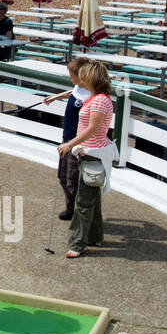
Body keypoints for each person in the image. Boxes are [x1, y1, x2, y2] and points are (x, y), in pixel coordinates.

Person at [56, 61, 115, 258]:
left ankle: (77, 243)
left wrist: (69, 144)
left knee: (84, 201)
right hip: (89, 152)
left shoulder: (98, 101)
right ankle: (95, 237)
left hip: (92, 153)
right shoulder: (97, 98)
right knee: (92, 199)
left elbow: (92, 129)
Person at [42, 57, 92, 219]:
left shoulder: (91, 95)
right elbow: (73, 92)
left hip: (76, 143)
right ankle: (70, 207)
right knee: (63, 176)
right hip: (67, 139)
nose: (70, 78)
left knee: (73, 179)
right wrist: (56, 97)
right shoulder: (78, 88)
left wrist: (72, 144)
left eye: (72, 75)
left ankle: (78, 212)